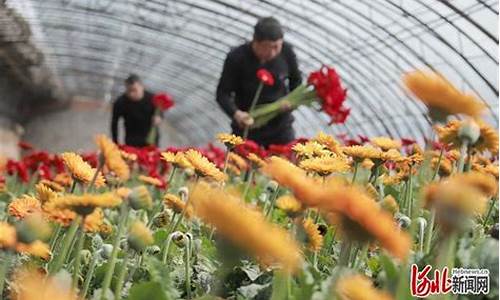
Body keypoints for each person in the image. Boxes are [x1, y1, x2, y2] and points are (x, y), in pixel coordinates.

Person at [216, 17, 302, 148]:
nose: (273, 52)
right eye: (268, 47)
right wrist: (236, 113)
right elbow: (222, 94)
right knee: (238, 165)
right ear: (255, 42)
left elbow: (296, 82)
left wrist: (291, 101)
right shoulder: (237, 57)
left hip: (280, 128)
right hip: (247, 127)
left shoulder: (287, 52)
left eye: (276, 47)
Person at [111, 74, 161, 147]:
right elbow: (114, 123)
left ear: (142, 87)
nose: (131, 94)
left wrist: (159, 118)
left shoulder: (152, 99)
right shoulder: (120, 102)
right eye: (129, 91)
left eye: (134, 90)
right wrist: (115, 142)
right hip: (131, 139)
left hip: (151, 139)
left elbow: (160, 111)